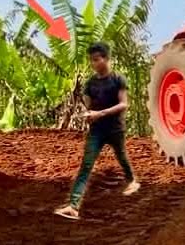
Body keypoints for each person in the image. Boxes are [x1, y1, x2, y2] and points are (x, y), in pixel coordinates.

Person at [55, 42, 141, 221]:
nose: (94, 63)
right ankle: (73, 206)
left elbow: (124, 104)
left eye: (97, 59)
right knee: (86, 166)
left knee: (122, 157)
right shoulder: (90, 83)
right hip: (96, 131)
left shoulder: (118, 79)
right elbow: (87, 102)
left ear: (106, 59)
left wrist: (100, 113)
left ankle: (132, 180)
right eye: (91, 60)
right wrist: (87, 113)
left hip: (115, 128)